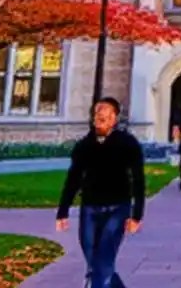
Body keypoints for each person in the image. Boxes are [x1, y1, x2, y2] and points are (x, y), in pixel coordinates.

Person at [55, 97, 145, 288]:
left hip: (117, 208)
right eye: (97, 115)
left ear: (114, 119)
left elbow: (138, 180)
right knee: (94, 261)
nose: (99, 119)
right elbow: (74, 178)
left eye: (104, 116)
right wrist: (63, 211)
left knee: (103, 261)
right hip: (90, 208)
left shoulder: (127, 144)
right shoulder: (84, 146)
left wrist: (136, 215)